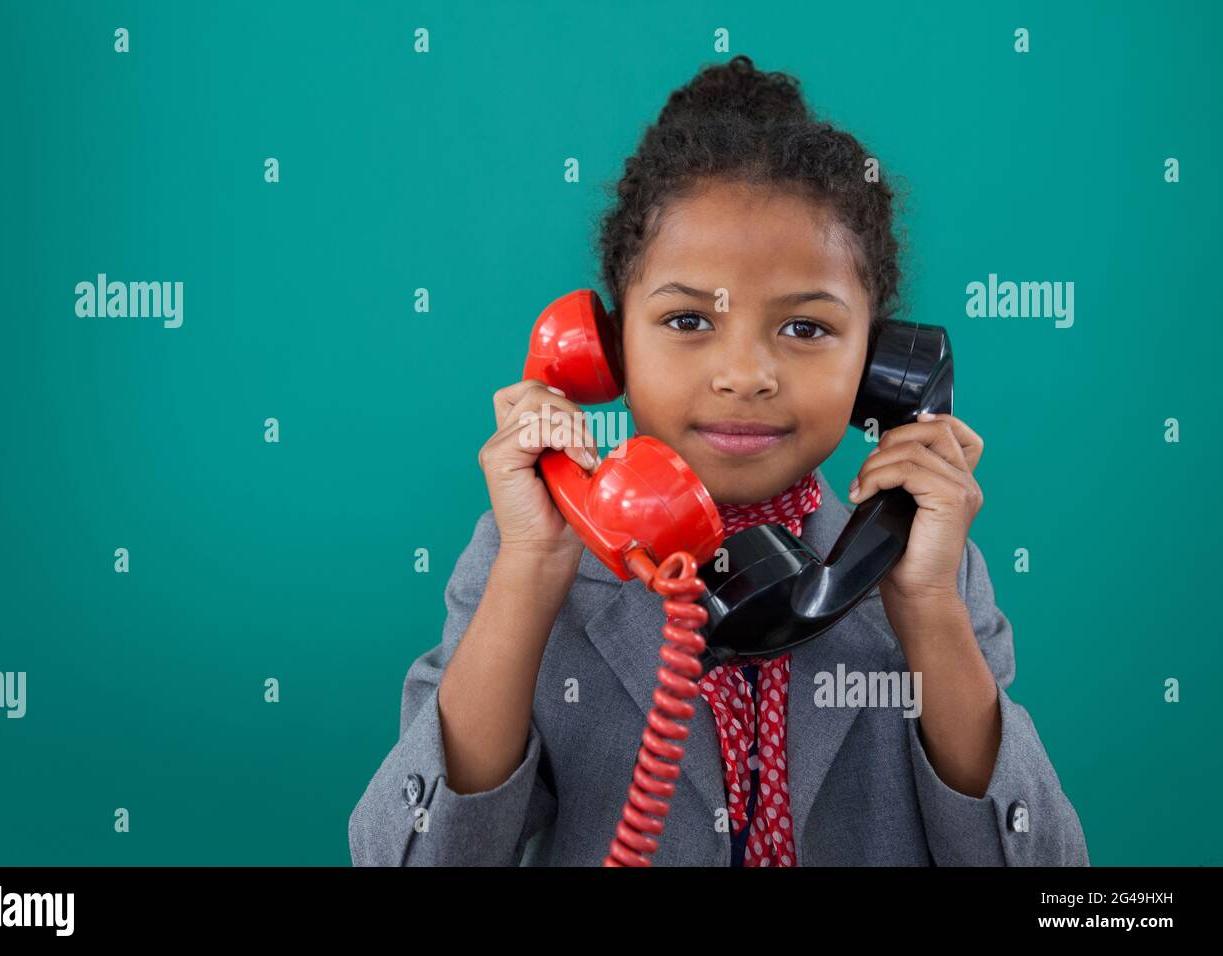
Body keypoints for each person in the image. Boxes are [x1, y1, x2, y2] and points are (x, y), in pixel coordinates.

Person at [348, 55, 1089, 867]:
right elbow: (405, 859)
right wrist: (529, 575)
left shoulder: (930, 571)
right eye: (688, 321)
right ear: (607, 349)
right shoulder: (520, 558)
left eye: (806, 329)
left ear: (879, 365)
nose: (746, 375)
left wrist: (930, 615)